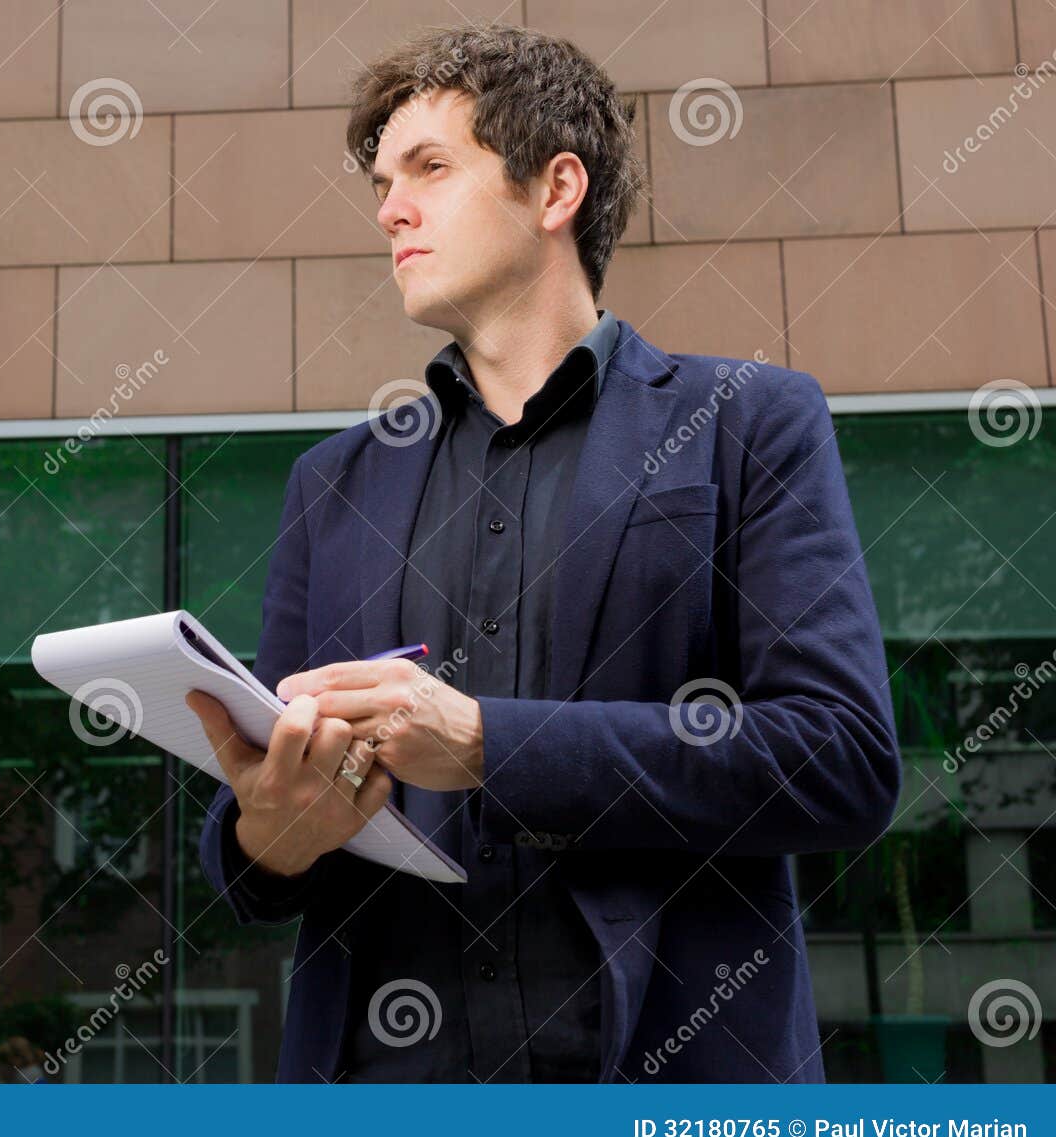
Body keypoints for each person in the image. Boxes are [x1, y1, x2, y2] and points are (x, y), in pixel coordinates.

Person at [187, 23, 900, 1083]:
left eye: (429, 167)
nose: (390, 208)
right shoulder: (333, 486)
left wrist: (488, 744)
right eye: (383, 181)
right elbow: (255, 854)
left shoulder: (747, 425)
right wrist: (268, 831)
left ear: (555, 188)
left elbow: (838, 758)